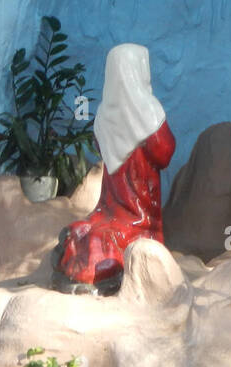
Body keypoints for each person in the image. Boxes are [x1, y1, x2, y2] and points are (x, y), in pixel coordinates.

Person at [56, 44, 175, 290]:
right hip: (140, 219)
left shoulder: (103, 115)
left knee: (91, 233)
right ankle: (97, 269)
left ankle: (85, 264)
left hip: (110, 210)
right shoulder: (149, 112)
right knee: (105, 237)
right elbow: (165, 153)